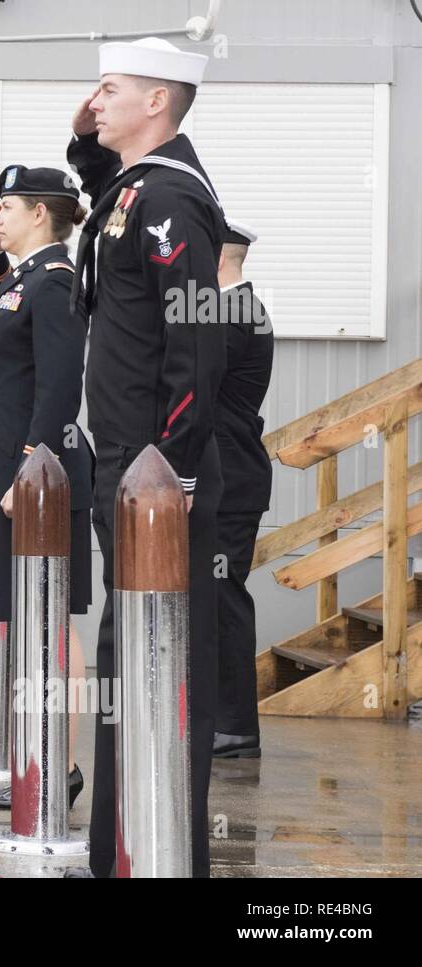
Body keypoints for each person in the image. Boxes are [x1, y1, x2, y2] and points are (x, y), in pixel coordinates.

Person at [66, 37, 228, 878]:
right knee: (126, 655)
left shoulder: (171, 200)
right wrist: (88, 129)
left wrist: (176, 470)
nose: (94, 99)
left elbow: (194, 340)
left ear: (158, 101)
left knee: (168, 665)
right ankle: (118, 853)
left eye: (110, 86)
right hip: (122, 467)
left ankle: (165, 858)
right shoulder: (132, 191)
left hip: (159, 475)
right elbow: (92, 178)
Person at [0, 164, 94, 812]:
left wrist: (31, 468)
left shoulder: (58, 281)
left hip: (35, 479)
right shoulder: (27, 278)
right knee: (20, 625)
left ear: (41, 213)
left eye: (7, 205)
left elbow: (61, 388)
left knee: (51, 626)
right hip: (10, 477)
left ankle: (59, 762)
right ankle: (37, 757)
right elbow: (2, 308)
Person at [211, 220, 273, 759]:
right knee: (214, 596)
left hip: (231, 481)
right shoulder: (229, 311)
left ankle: (235, 726)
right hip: (228, 478)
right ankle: (220, 717)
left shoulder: (236, 314)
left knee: (225, 596)